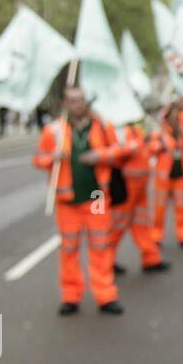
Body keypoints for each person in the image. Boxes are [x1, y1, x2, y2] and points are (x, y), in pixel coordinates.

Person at [32, 85, 123, 315]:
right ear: (65, 103)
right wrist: (53, 157)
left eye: (80, 100)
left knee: (100, 246)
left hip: (96, 196)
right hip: (67, 199)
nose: (77, 104)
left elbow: (118, 152)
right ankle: (71, 295)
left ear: (86, 102)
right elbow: (38, 159)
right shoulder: (54, 131)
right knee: (69, 249)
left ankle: (105, 295)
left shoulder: (103, 126)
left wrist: (99, 155)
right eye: (72, 100)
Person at [108, 113, 171, 275]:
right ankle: (106, 260)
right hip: (127, 185)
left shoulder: (137, 129)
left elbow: (148, 149)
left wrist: (158, 144)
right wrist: (137, 144)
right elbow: (114, 153)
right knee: (118, 225)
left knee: (142, 223)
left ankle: (151, 258)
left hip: (141, 186)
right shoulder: (119, 129)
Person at [150, 106, 183, 249]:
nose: (175, 120)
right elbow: (152, 148)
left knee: (182, 207)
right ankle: (156, 237)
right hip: (163, 177)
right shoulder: (160, 133)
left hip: (180, 176)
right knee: (159, 209)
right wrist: (160, 145)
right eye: (172, 117)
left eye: (177, 117)